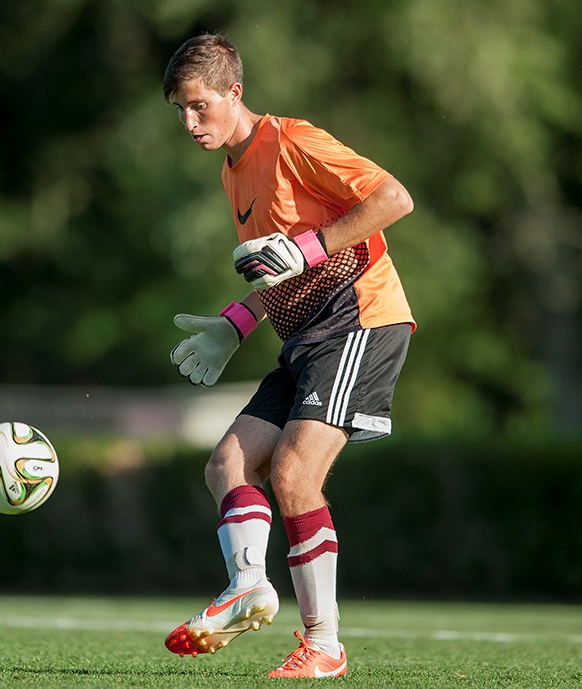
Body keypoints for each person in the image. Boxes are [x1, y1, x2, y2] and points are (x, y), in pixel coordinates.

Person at [162, 33, 415, 679]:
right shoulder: (232, 170)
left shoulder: (294, 140)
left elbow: (394, 199)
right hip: (305, 334)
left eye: (199, 107)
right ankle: (248, 585)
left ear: (234, 93)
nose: (190, 123)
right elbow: (280, 275)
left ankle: (324, 645)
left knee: (295, 474)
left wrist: (308, 247)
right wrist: (236, 324)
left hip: (361, 318)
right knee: (227, 464)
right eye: (181, 112)